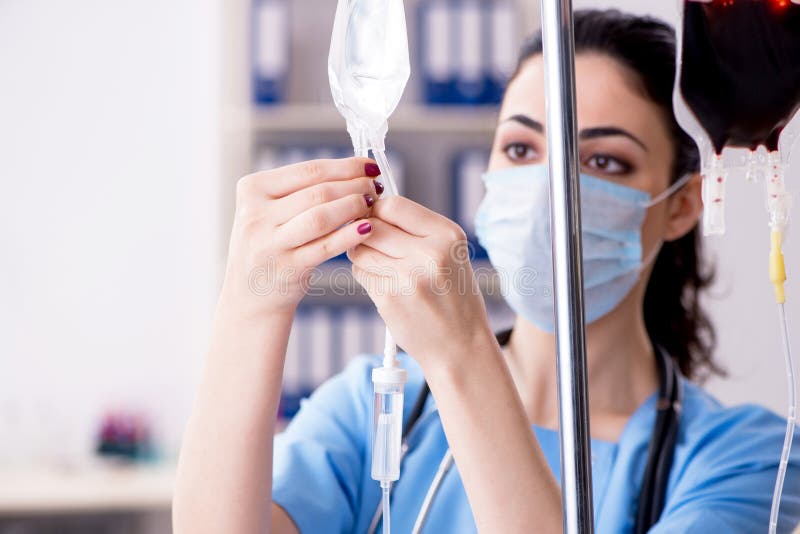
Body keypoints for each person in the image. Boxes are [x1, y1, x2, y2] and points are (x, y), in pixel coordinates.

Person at [173, 9, 800, 533]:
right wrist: (252, 303)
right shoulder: (375, 406)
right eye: (521, 148)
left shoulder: (748, 460)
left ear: (682, 204)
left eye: (604, 161)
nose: (550, 190)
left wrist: (463, 353)